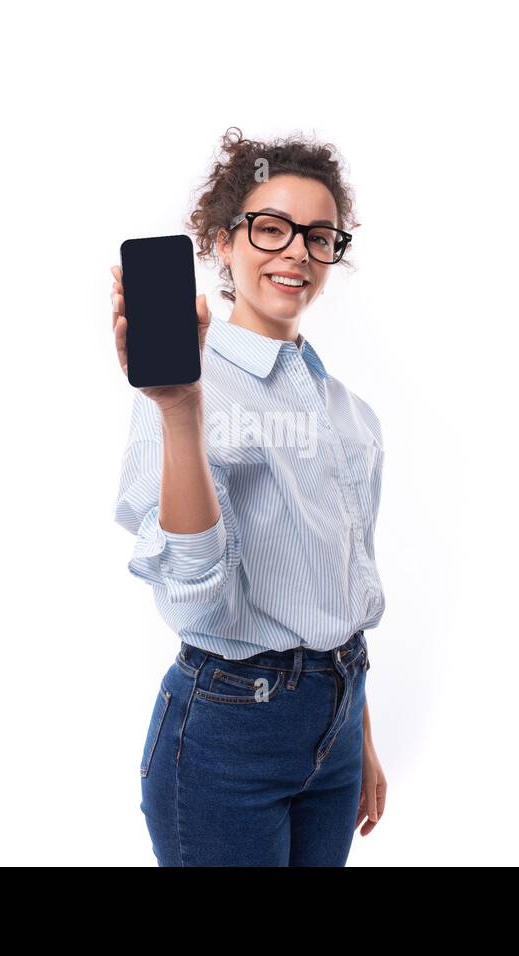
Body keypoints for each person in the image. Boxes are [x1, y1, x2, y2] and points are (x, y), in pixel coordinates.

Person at [110, 127, 387, 866]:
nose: (297, 250)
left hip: (337, 723)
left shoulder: (347, 412)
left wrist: (357, 740)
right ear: (223, 244)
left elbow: (342, 584)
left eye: (319, 236)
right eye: (271, 228)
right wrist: (179, 412)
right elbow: (196, 594)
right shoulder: (187, 386)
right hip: (230, 729)